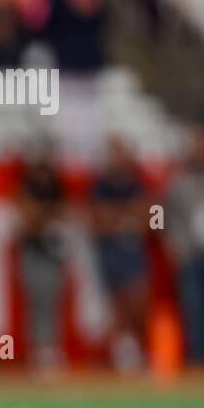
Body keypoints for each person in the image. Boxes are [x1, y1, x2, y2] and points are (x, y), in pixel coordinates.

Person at [90, 136, 151, 371]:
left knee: (138, 299)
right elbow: (100, 222)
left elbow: (149, 219)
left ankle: (140, 349)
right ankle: (123, 353)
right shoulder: (102, 185)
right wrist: (126, 218)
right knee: (116, 303)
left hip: (132, 250)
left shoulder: (137, 184)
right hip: (111, 251)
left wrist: (122, 218)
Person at [16, 140, 69, 370]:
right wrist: (46, 217)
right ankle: (38, 349)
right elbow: (29, 219)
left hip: (52, 251)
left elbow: (62, 215)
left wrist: (44, 217)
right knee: (36, 299)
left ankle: (50, 347)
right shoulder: (25, 188)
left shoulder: (57, 187)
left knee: (52, 299)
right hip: (33, 250)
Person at [163, 126, 204, 364]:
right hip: (190, 254)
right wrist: (171, 243)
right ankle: (199, 364)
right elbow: (158, 213)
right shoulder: (176, 181)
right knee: (195, 312)